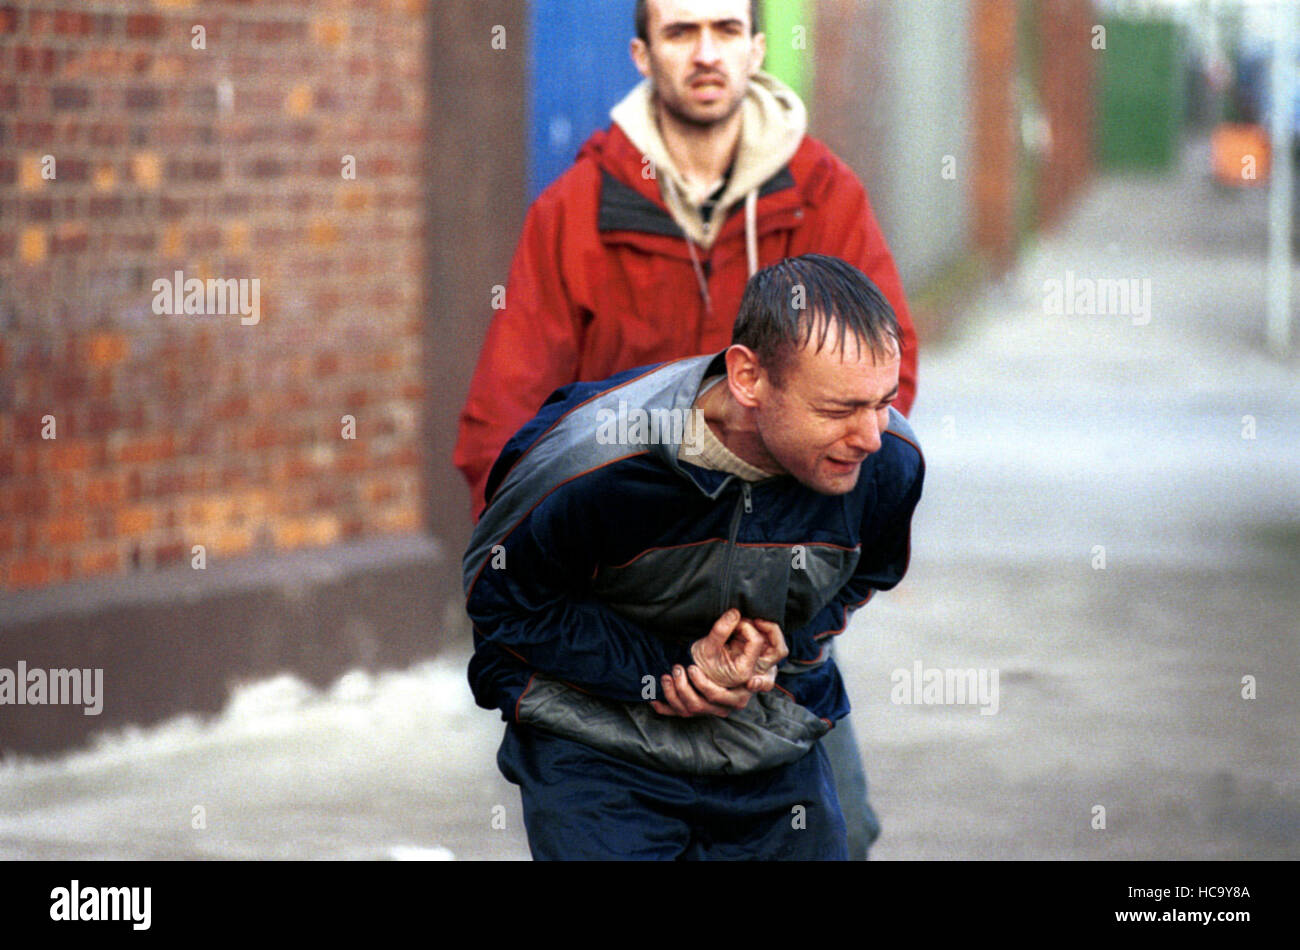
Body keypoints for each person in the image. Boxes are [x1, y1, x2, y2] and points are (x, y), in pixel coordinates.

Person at [453, 0, 917, 858]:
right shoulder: (577, 209)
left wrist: (782, 609)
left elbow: (880, 385)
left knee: (841, 834)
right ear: (641, 52)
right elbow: (507, 421)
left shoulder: (823, 192)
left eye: (725, 29)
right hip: (622, 589)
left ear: (757, 46)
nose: (706, 54)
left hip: (768, 601)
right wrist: (574, 563)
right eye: (680, 32)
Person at [463, 255, 924, 860]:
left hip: (770, 742)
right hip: (598, 749)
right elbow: (503, 609)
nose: (870, 436)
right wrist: (670, 672)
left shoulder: (886, 463)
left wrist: (779, 648)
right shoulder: (590, 462)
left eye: (882, 401)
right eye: (838, 410)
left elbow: (862, 577)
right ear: (748, 378)